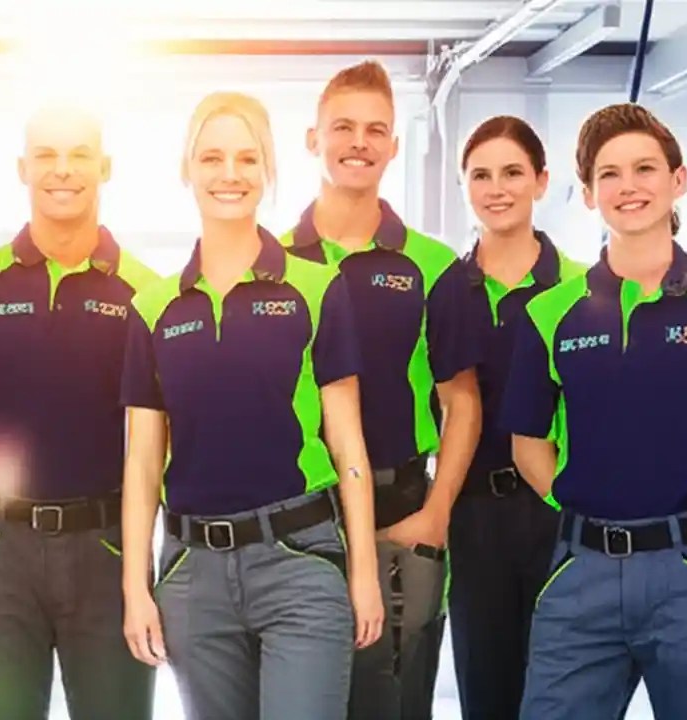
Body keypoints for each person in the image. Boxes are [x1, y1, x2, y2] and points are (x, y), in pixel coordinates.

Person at [120, 90, 383, 720]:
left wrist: (365, 572)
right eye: (211, 158)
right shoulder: (152, 309)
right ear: (188, 170)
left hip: (298, 562)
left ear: (269, 170)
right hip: (192, 577)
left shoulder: (317, 289)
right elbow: (142, 463)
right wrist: (136, 585)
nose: (230, 174)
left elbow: (348, 444)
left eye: (247, 158)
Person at [504, 103, 687, 719]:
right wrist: (589, 505)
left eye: (644, 168)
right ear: (587, 194)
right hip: (583, 574)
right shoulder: (547, 315)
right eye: (609, 174)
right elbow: (528, 444)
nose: (628, 186)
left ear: (677, 180)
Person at [0, 103, 159, 720]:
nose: (62, 171)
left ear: (106, 167)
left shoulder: (148, 293)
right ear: (22, 168)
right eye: (45, 155)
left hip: (109, 547)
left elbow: (156, 435)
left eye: (79, 155)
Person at [281, 60, 481, 720]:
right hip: (298, 516)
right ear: (313, 139)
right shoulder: (271, 263)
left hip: (400, 510)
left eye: (376, 130)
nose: (359, 142)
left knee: (394, 705)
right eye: (343, 127)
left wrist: (437, 513)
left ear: (395, 145)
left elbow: (462, 401)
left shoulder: (433, 267)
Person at [449, 116, 585, 720]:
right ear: (465, 187)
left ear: (541, 181)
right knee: (486, 692)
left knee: (565, 688)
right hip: (475, 516)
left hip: (560, 514)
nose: (496, 188)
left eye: (512, 173)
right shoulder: (446, 289)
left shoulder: (583, 289)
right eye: (481, 175)